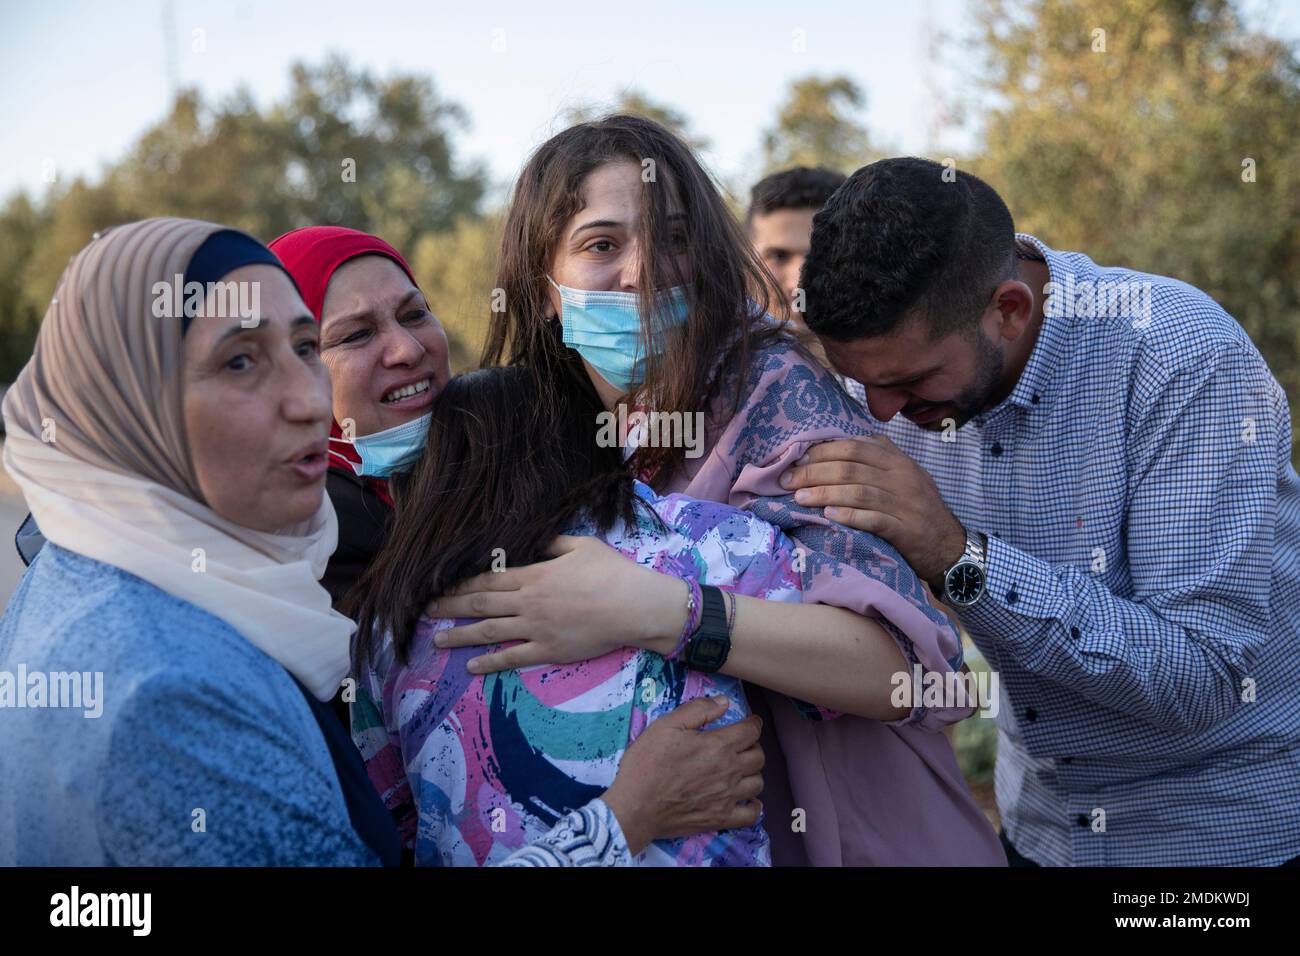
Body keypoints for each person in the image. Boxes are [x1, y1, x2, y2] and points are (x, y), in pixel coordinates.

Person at [0, 218, 759, 868]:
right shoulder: (169, 695)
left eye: (303, 347)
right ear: (126, 400)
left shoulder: (119, 568)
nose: (304, 399)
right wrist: (626, 818)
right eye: (240, 361)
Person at [430, 116, 1005, 865]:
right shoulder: (526, 432)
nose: (644, 271)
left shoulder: (775, 397)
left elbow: (905, 677)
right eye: (603, 245)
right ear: (543, 288)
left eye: (672, 238)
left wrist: (652, 609)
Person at [783, 156, 1300, 866]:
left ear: (1009, 310)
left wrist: (960, 558)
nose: (881, 412)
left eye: (909, 381)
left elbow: (1204, 673)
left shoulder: (1183, 359)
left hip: (1214, 843)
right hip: (1039, 834)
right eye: (863, 383)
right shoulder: (900, 363)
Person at [349, 364, 842, 865]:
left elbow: (392, 825)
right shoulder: (694, 540)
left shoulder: (385, 627)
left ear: (436, 475)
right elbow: (857, 661)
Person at [267, 226, 450, 605]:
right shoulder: (310, 540)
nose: (407, 349)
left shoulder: (506, 459)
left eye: (415, 314)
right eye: (356, 335)